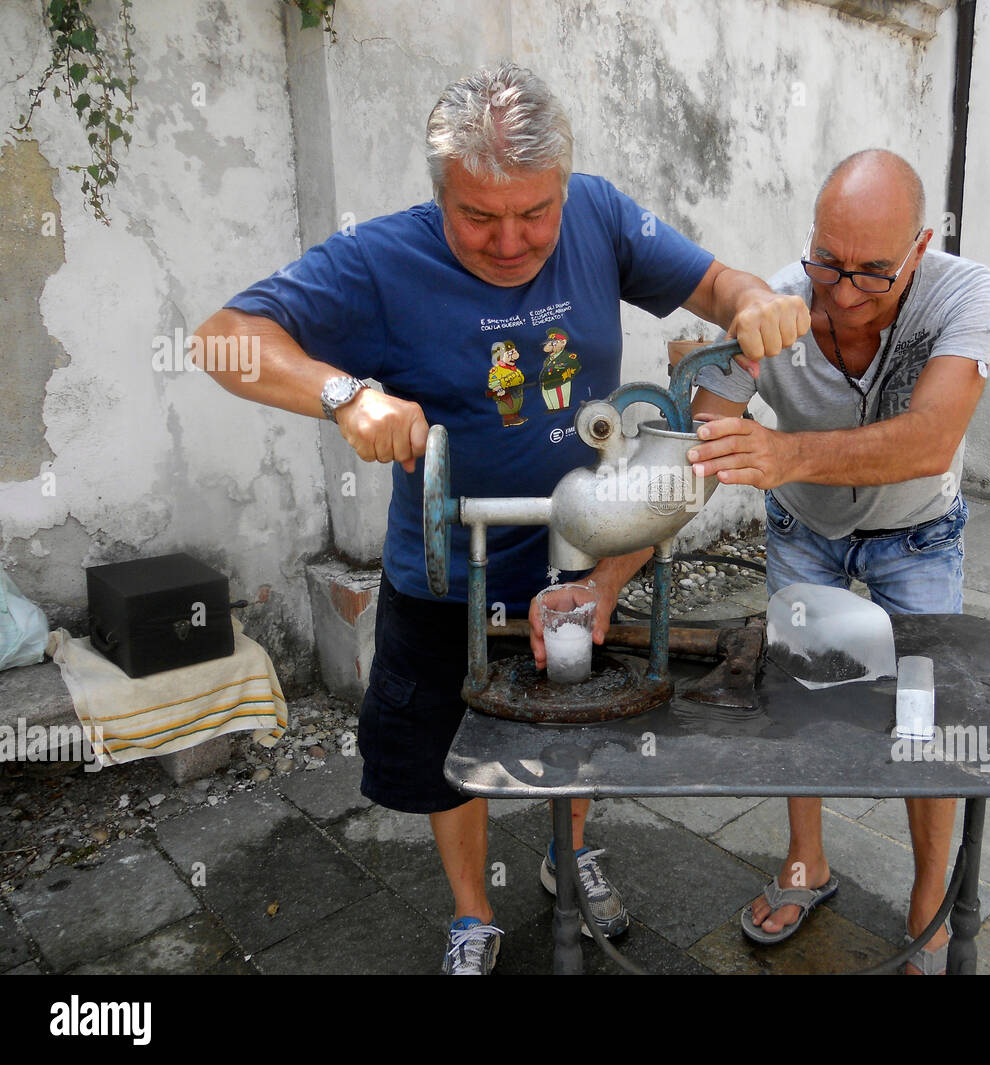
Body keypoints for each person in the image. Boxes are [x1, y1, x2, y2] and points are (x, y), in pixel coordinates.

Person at [195, 62, 808, 974]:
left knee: (582, 726)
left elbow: (719, 286)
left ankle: (568, 855)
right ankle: (473, 913)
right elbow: (222, 337)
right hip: (447, 569)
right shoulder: (380, 260)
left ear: (564, 188)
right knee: (448, 751)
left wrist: (754, 301)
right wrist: (343, 392)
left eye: (535, 214)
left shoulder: (599, 214)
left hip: (580, 547)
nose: (513, 242)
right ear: (440, 193)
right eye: (480, 217)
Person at [688, 149, 990, 974]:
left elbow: (932, 438)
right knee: (802, 695)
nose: (844, 290)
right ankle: (806, 864)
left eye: (873, 271)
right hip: (805, 528)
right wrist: (714, 369)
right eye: (826, 261)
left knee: (924, 721)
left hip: (918, 532)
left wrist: (784, 451)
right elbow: (707, 425)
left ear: (920, 246)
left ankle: (930, 902)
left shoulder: (966, 293)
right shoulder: (783, 300)